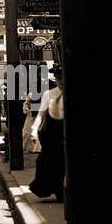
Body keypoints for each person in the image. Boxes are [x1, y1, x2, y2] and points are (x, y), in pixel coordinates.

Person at [28, 67, 65, 201]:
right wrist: (34, 130)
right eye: (57, 78)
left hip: (65, 131)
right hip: (51, 132)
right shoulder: (48, 94)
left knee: (63, 162)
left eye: (61, 77)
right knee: (49, 161)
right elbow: (41, 114)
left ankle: (62, 190)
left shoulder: (72, 92)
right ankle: (55, 189)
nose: (60, 80)